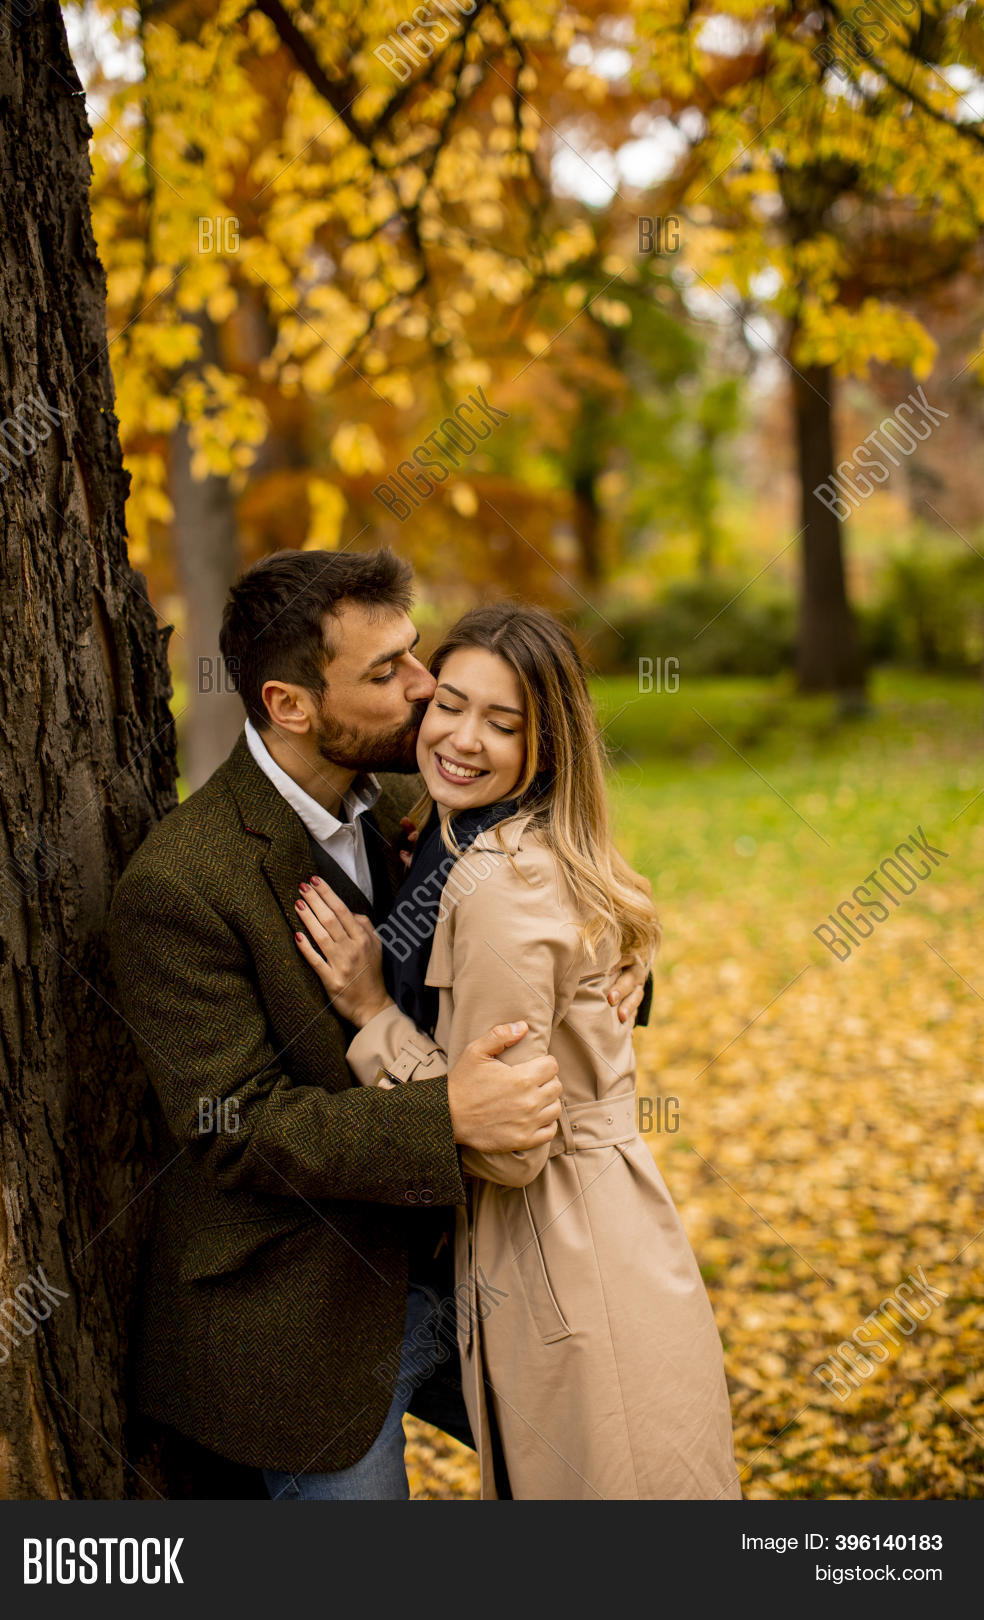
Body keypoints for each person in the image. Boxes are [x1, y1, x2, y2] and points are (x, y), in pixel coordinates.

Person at [108, 550, 649, 1500]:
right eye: (386, 672)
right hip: (301, 1305)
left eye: (414, 652)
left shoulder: (416, 793)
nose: (426, 687)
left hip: (473, 1260)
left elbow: (547, 910)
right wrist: (444, 1117)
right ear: (290, 706)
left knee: (621, 1473)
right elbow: (232, 1126)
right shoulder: (180, 885)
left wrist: (626, 968)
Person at [294, 602, 741, 1500]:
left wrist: (372, 1011)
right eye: (448, 705)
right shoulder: (465, 835)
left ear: (551, 743)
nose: (462, 740)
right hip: (604, 1235)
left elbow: (508, 1140)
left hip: (560, 1250)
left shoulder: (495, 881)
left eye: (503, 724)